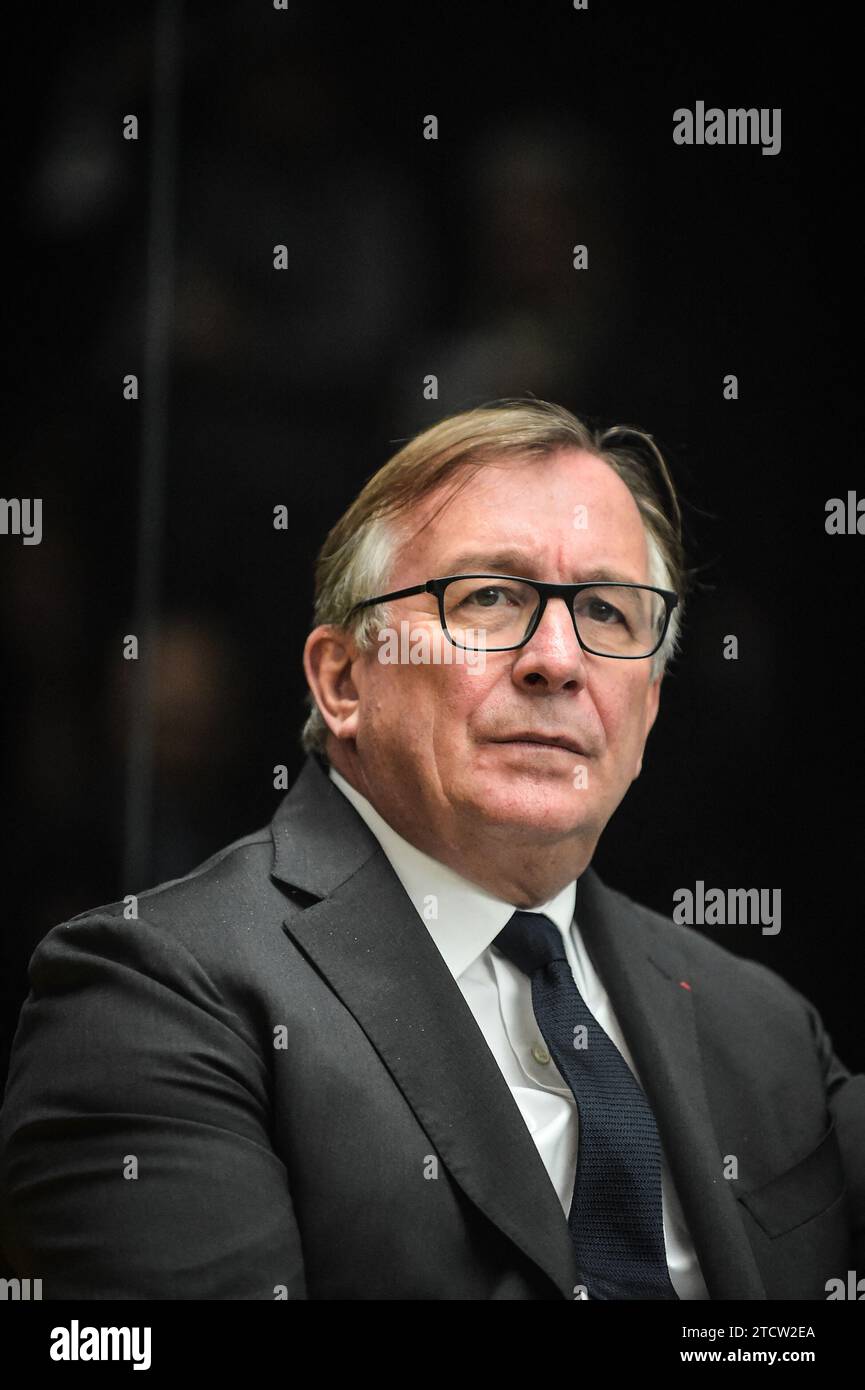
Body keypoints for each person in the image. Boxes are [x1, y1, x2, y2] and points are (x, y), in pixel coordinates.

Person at [1, 399, 862, 1300]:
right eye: (489, 597)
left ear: (647, 711)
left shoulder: (763, 1028)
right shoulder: (154, 997)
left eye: (608, 611)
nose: (557, 660)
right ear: (343, 681)